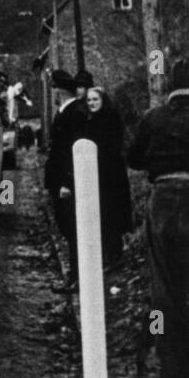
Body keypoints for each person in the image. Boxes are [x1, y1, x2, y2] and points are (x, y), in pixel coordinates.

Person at [128, 58, 189, 378]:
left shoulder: (154, 117)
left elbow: (133, 158)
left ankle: (171, 374)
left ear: (172, 84)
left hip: (161, 201)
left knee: (164, 291)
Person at [43, 67, 94, 280]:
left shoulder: (75, 113)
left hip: (66, 181)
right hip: (59, 179)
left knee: (72, 228)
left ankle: (77, 276)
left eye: (54, 89)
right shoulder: (66, 111)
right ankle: (75, 274)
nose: (53, 93)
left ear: (60, 91)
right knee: (67, 227)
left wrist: (67, 182)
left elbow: (72, 150)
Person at [77, 86, 133, 266]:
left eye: (95, 99)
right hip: (95, 173)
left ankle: (114, 256)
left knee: (111, 214)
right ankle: (104, 256)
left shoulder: (110, 118)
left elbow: (113, 145)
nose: (92, 103)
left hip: (110, 174)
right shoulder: (89, 120)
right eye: (89, 100)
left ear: (103, 101)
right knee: (98, 213)